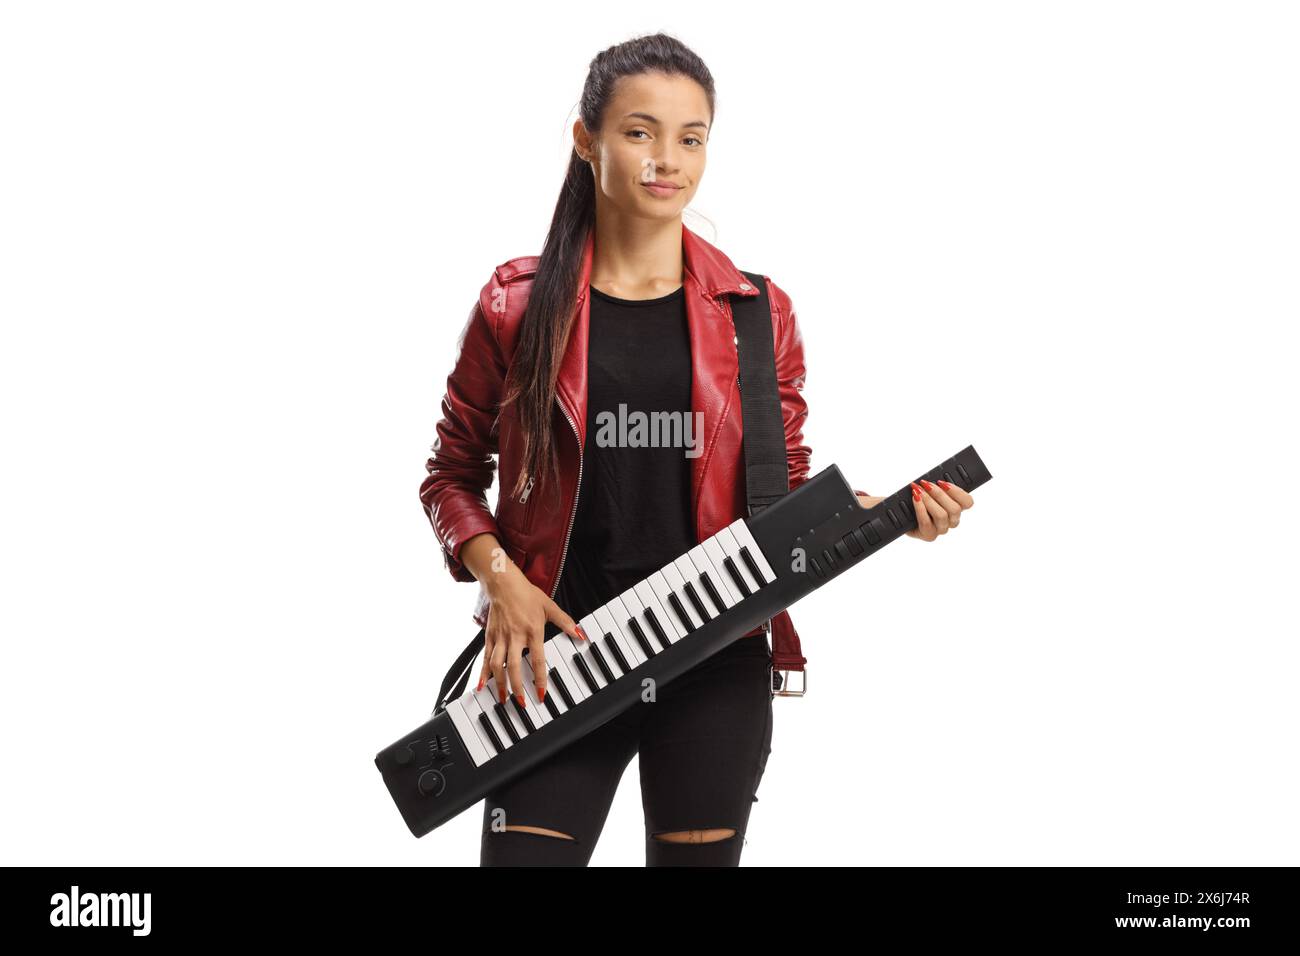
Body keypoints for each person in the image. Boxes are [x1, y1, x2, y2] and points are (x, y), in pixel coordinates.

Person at [419, 32, 976, 866]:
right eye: (640, 132)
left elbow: (779, 498)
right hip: (553, 660)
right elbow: (450, 477)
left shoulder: (757, 312)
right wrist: (501, 580)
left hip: (714, 654)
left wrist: (891, 518)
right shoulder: (517, 303)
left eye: (691, 137)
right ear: (586, 140)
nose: (666, 160)